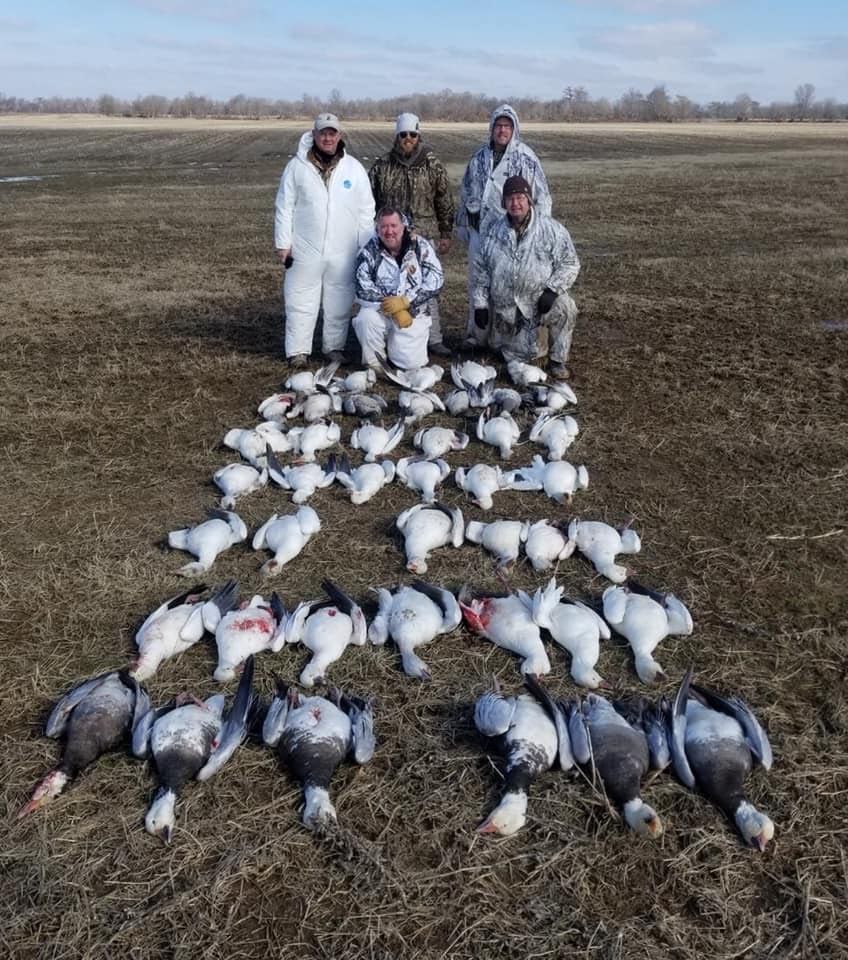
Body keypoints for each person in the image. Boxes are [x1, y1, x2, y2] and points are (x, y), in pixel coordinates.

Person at [274, 113, 375, 367]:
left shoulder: (353, 168)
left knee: (339, 300)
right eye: (323, 133)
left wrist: (365, 246)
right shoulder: (297, 167)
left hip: (344, 249)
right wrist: (283, 243)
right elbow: (284, 206)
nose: (327, 138)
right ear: (314, 134)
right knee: (300, 299)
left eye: (332, 133)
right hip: (304, 248)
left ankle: (334, 348)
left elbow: (366, 210)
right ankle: (298, 351)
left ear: (339, 136)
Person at [458, 104, 552, 345]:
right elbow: (466, 189)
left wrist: (538, 230)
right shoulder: (479, 157)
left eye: (507, 126)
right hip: (480, 231)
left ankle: (502, 340)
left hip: (509, 233)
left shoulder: (526, 157)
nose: (502, 130)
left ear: (514, 128)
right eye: (498, 125)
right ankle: (476, 337)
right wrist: (464, 223)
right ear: (491, 128)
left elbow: (542, 196)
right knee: (478, 285)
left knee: (503, 286)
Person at [471, 176, 579, 380]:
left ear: (529, 200)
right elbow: (481, 270)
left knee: (567, 307)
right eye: (510, 198)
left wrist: (552, 290)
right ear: (504, 203)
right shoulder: (493, 233)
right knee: (518, 359)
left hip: (539, 302)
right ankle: (513, 344)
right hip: (507, 307)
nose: (515, 203)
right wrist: (480, 304)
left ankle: (557, 360)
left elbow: (570, 263)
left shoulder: (551, 230)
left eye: (520, 197)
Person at [368, 113, 454, 356]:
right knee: (390, 283)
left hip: (424, 236)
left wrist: (446, 232)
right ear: (397, 136)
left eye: (413, 134)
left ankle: (434, 339)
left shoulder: (432, 164)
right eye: (403, 134)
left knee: (427, 287)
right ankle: (391, 336)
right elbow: (369, 201)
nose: (408, 138)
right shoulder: (382, 166)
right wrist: (373, 229)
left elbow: (444, 200)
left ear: (419, 135)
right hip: (391, 235)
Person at [352, 206, 444, 370]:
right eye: (384, 227)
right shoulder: (368, 251)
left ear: (403, 226)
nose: (389, 231)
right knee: (365, 319)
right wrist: (395, 309)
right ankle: (375, 365)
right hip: (382, 311)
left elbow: (436, 280)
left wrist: (406, 301)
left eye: (393, 226)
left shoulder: (420, 247)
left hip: (413, 313)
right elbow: (361, 287)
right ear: (377, 228)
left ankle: (397, 350)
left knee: (411, 365)